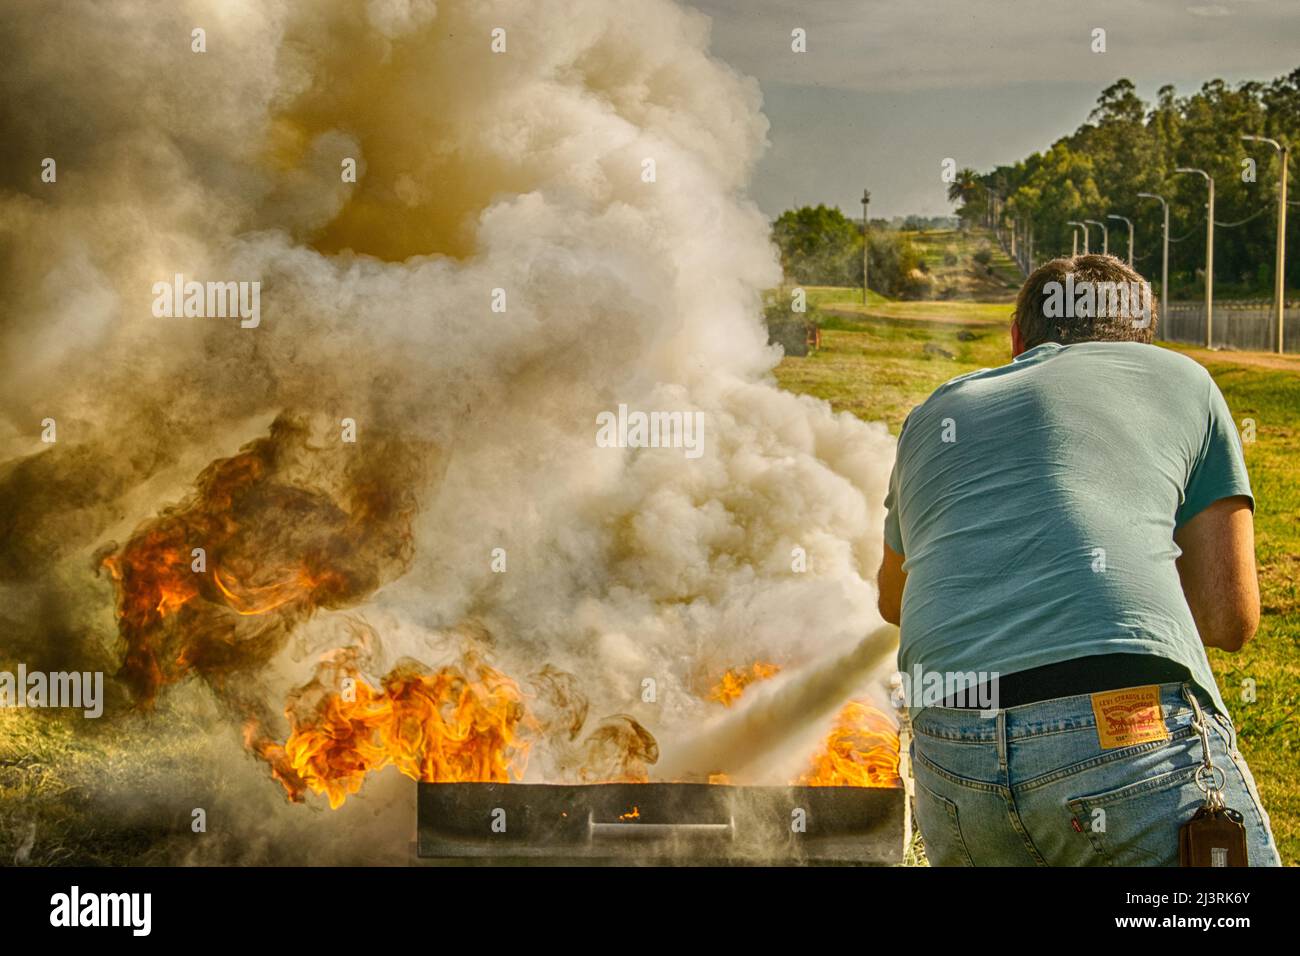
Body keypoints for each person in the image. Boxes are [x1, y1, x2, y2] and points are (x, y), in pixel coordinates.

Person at [876, 254, 1280, 866]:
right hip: (1124, 735)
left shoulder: (934, 413)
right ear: (1143, 336)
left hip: (950, 757)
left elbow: (891, 602)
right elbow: (1229, 619)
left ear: (1016, 338)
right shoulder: (1183, 379)